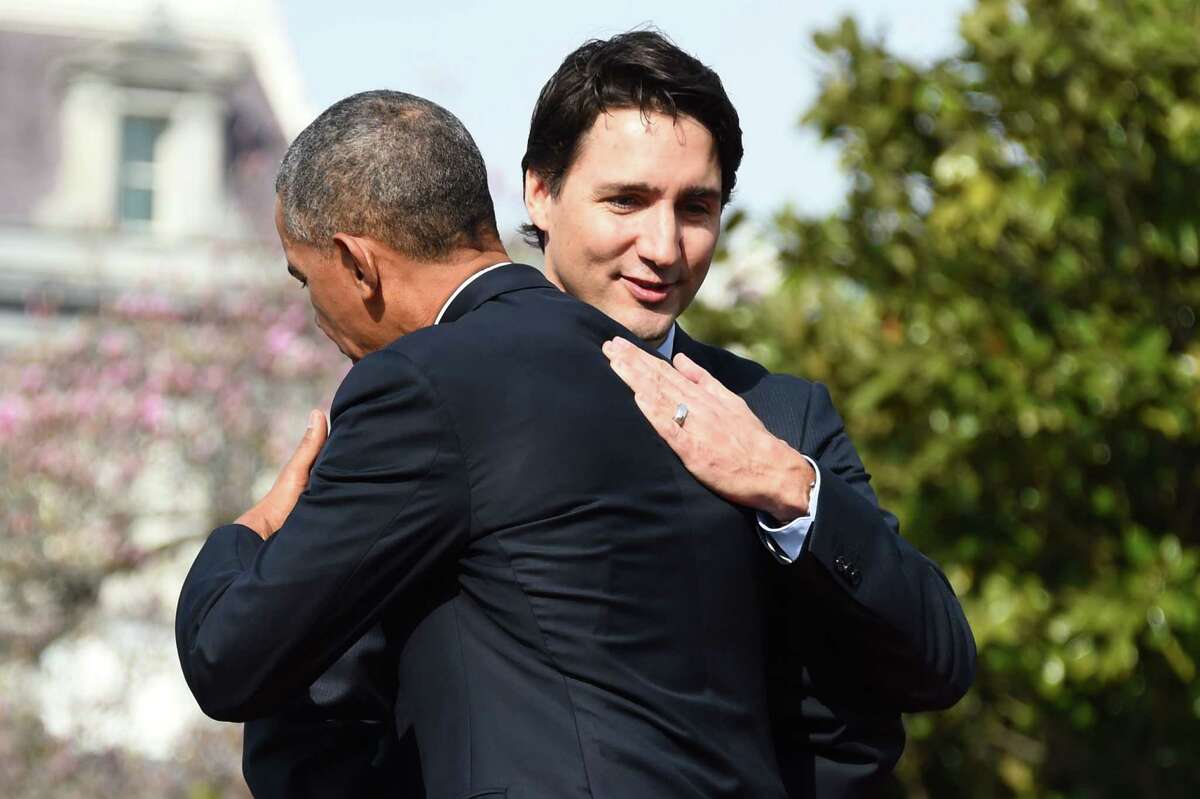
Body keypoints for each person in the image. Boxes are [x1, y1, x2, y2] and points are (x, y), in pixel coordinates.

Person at [242, 31, 977, 798]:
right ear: (539, 194)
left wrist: (789, 489)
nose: (662, 246)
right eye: (625, 200)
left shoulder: (777, 418)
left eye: (696, 207)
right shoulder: (427, 401)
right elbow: (309, 717)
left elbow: (932, 662)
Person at [177, 89, 798, 797]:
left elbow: (230, 658)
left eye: (305, 278)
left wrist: (252, 533)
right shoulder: (641, 367)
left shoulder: (417, 385)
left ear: (356, 264)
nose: (316, 313)